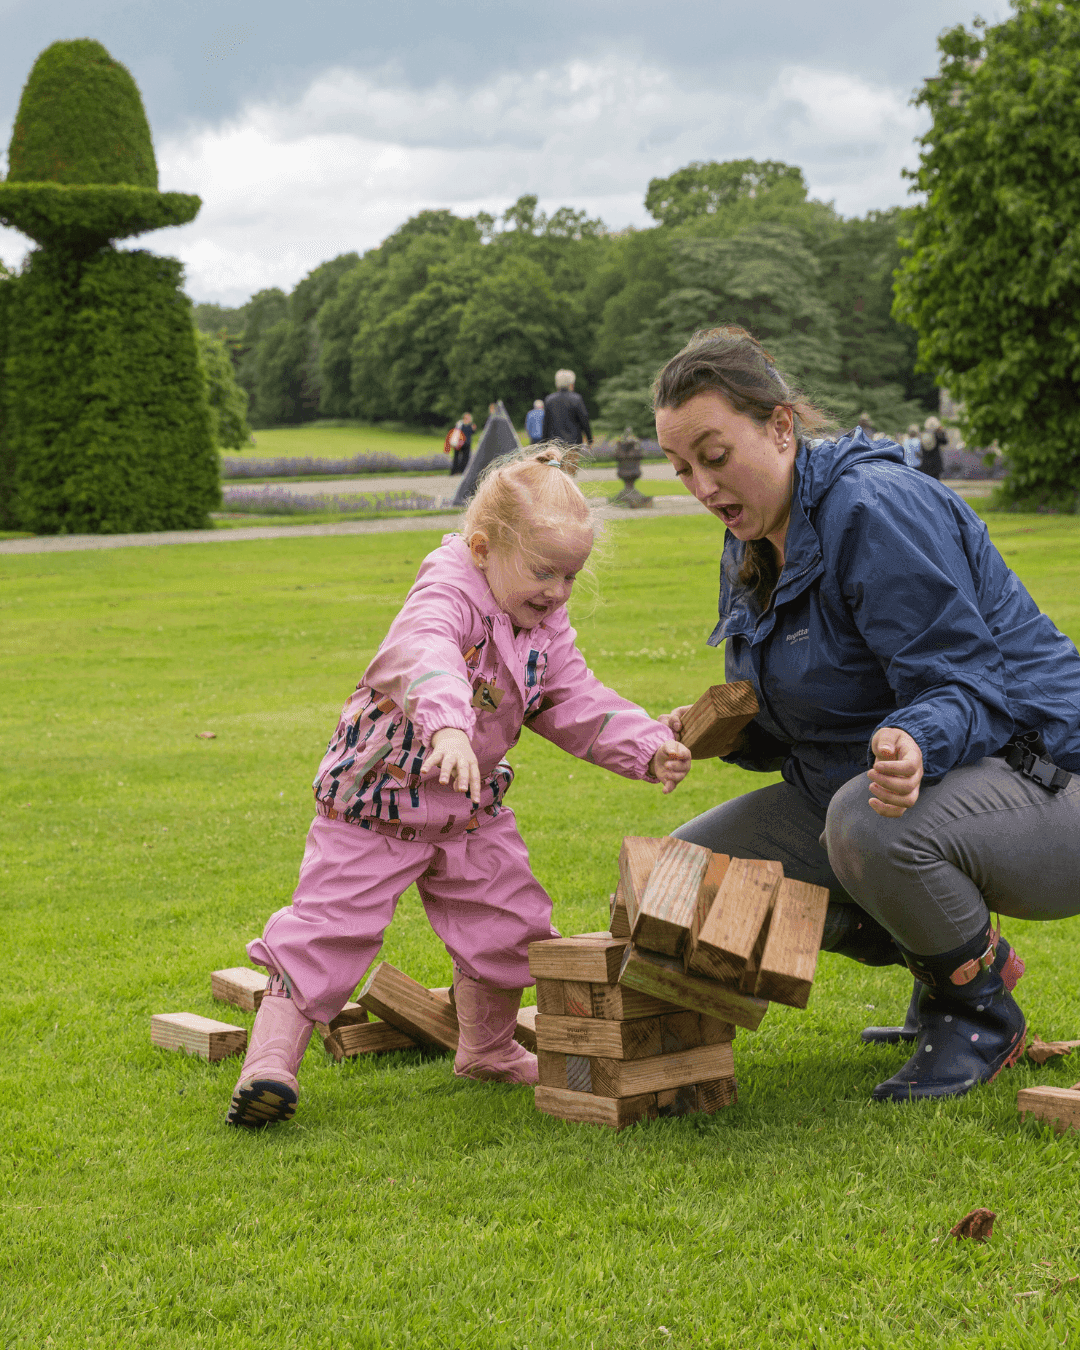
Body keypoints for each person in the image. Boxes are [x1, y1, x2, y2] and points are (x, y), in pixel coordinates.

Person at [653, 326, 1080, 1104]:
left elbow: (974, 689)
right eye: (682, 469)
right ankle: (942, 955)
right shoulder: (750, 534)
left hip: (1046, 779)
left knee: (866, 821)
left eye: (715, 457)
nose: (703, 486)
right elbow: (801, 709)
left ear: (781, 427)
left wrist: (915, 737)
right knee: (681, 881)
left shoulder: (875, 508)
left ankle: (977, 1013)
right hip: (904, 787)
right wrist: (726, 728)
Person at [228, 445, 692, 1127]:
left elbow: (572, 699)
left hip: (468, 810)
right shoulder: (445, 590)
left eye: (572, 576)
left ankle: (488, 1049)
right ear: (482, 547)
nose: (559, 592)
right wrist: (447, 727)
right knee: (328, 931)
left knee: (511, 926)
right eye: (544, 572)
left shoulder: (542, 625)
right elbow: (426, 653)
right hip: (376, 803)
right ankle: (269, 1065)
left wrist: (646, 747)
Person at [542, 370, 592, 446]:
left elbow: (546, 423)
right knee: (572, 458)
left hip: (554, 444)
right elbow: (584, 419)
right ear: (571, 383)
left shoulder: (549, 399)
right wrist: (589, 439)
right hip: (573, 443)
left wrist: (544, 443)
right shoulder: (576, 399)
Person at [445, 412, 477, 476]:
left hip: (466, 443)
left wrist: (474, 429)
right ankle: (455, 471)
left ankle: (462, 471)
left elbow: (472, 432)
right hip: (459, 443)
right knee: (457, 457)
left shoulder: (470, 425)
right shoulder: (460, 424)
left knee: (465, 458)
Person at [918, 415, 947, 481]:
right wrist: (941, 431)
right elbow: (945, 442)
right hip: (936, 463)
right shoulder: (937, 435)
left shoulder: (924, 435)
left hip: (925, 463)